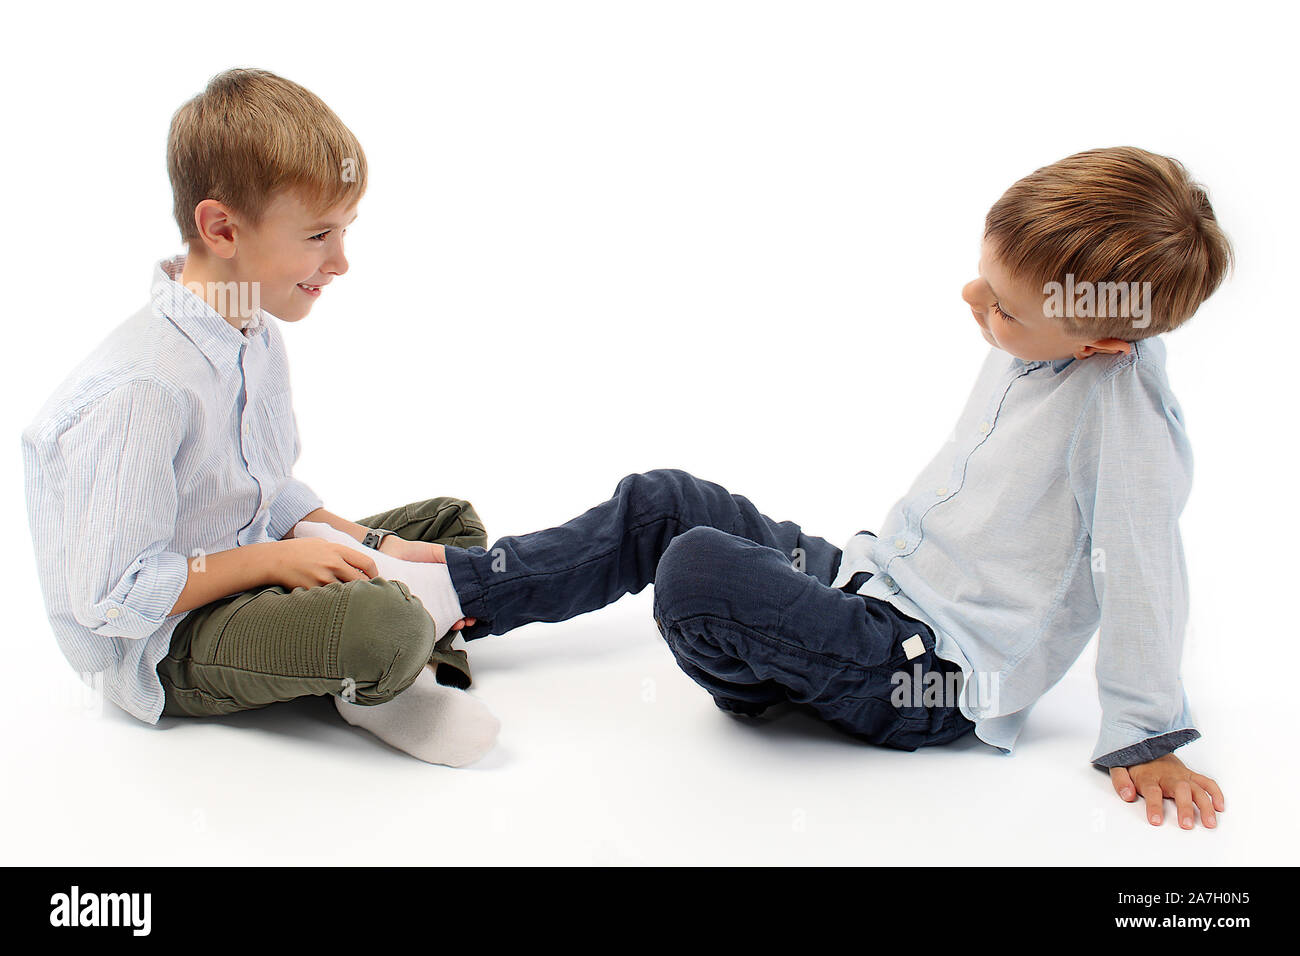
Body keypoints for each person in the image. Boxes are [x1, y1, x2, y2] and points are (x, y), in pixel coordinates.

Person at [422, 146, 1232, 828]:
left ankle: (777, 678)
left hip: (925, 674)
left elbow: (1144, 571)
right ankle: (452, 596)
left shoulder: (1125, 421)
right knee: (663, 500)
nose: (972, 300)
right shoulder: (1059, 331)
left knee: (698, 570)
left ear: (1100, 343)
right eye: (982, 277)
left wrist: (1147, 734)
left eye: (1003, 308)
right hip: (872, 581)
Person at [22, 68, 498, 767]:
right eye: (318, 235)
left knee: (451, 526)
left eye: (345, 231)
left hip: (251, 564)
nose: (341, 262)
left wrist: (374, 543)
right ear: (221, 228)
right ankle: (395, 669)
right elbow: (115, 597)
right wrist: (276, 560)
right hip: (169, 638)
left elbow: (267, 491)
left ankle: (390, 647)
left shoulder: (254, 333)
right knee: (382, 623)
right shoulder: (141, 388)